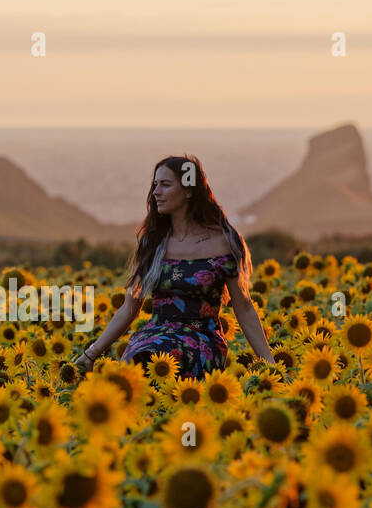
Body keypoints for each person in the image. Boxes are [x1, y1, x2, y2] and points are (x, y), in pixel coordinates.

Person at [74, 154, 276, 378]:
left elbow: (244, 307)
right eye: (155, 185)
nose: (156, 192)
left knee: (152, 361)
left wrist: (269, 364)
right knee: (131, 371)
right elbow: (130, 307)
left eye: (165, 185)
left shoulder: (223, 242)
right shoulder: (153, 242)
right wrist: (91, 354)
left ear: (189, 191)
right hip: (152, 337)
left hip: (201, 341)